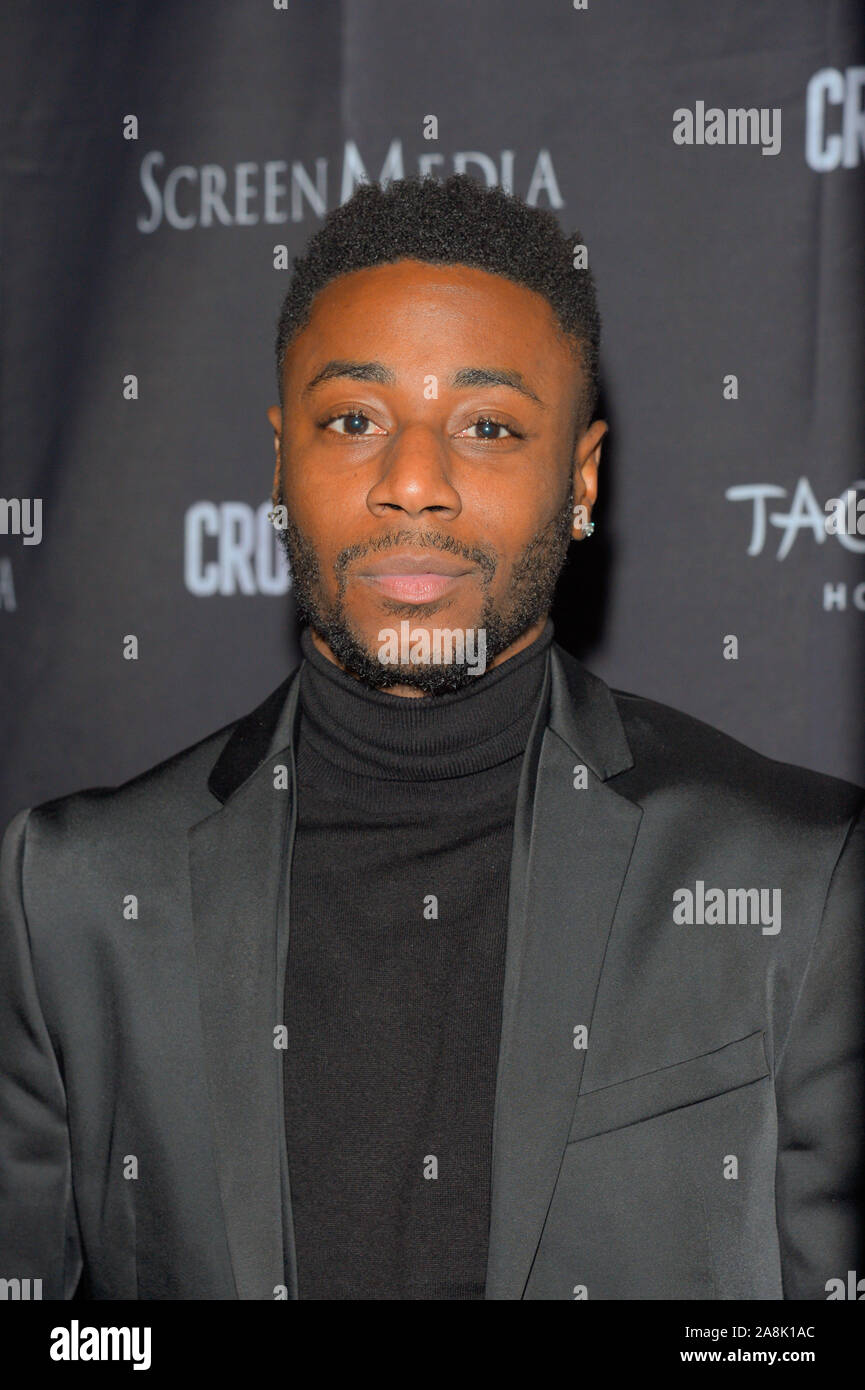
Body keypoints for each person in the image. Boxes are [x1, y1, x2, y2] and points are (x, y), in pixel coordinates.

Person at [1, 175, 862, 1301]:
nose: (413, 482)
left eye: (489, 426)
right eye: (353, 420)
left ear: (582, 477)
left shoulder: (798, 879)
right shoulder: (73, 897)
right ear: (277, 463)